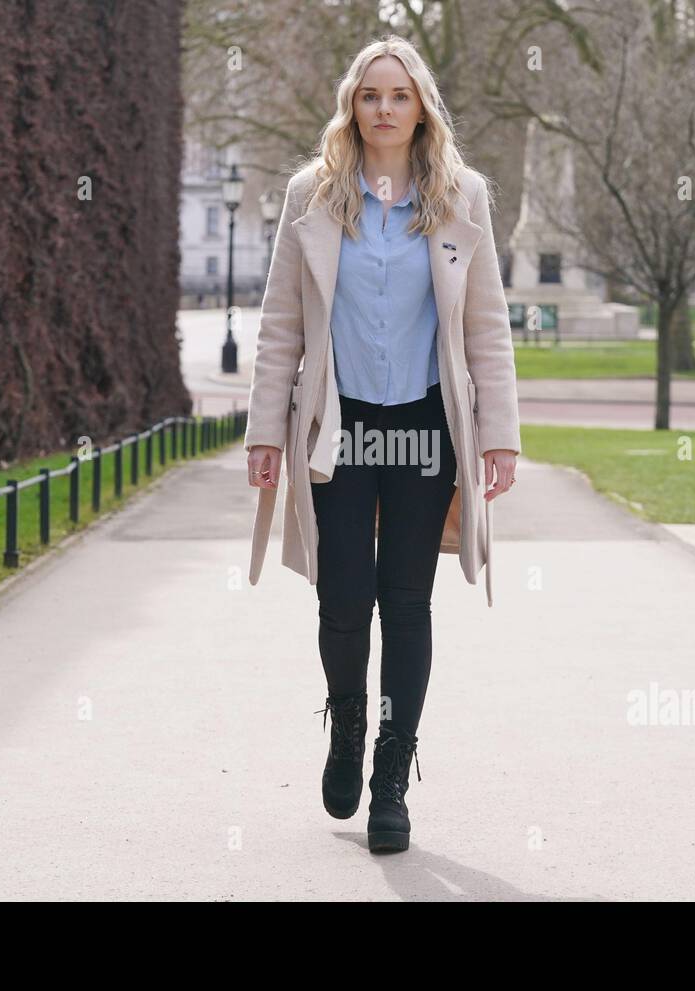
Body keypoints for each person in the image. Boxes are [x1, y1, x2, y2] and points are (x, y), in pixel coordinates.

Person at [243, 36, 520, 853]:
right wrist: (265, 430)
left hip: (427, 430)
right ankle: (347, 730)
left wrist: (499, 435)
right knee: (341, 598)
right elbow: (281, 325)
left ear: (420, 107)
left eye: (400, 96)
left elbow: (486, 325)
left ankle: (391, 777)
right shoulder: (313, 195)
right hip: (342, 427)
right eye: (371, 96)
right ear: (352, 107)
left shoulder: (461, 196)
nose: (385, 109)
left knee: (407, 603)